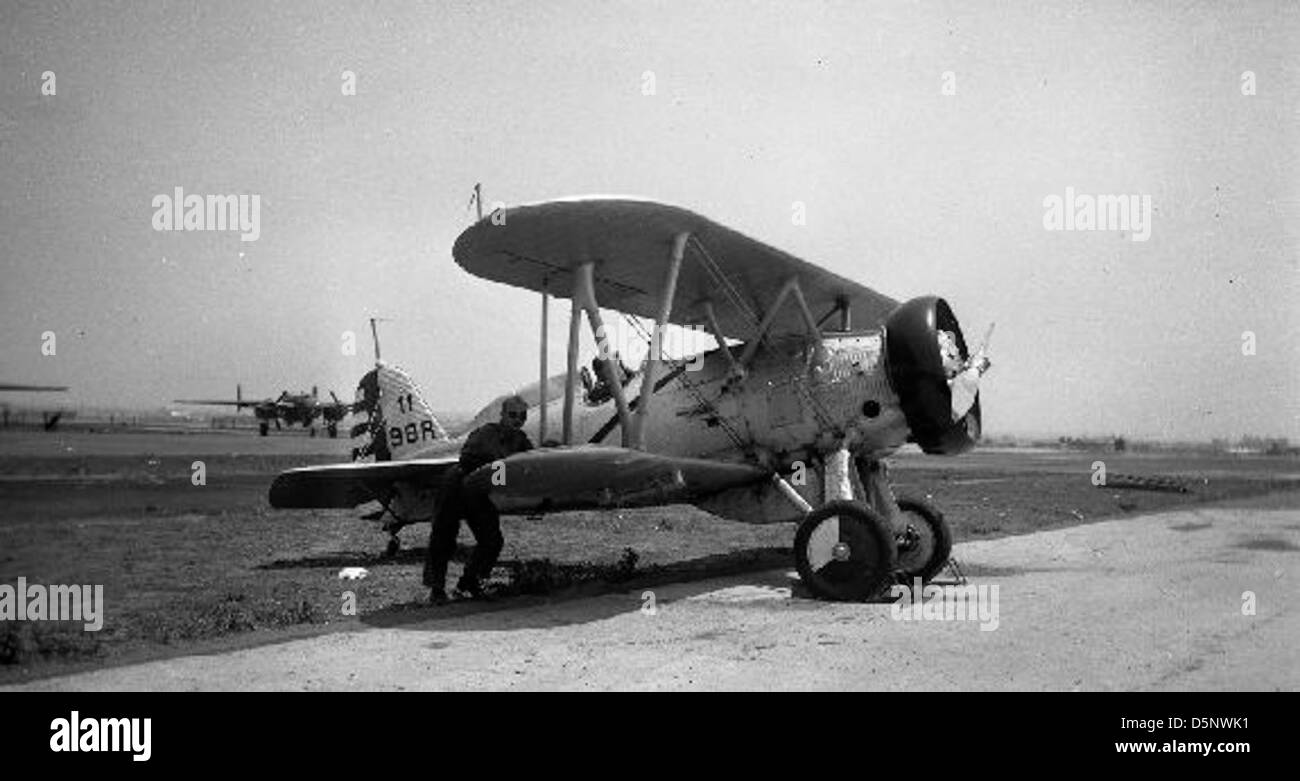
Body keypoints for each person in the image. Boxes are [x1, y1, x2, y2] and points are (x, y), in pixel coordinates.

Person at [423, 395, 533, 603]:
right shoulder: (486, 433)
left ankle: (469, 583)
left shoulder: (520, 440)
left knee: (492, 540)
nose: (517, 420)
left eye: (522, 416)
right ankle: (436, 590)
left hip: (477, 491)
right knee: (443, 537)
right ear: (502, 415)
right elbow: (468, 459)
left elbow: (532, 460)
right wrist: (495, 465)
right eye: (513, 415)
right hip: (456, 486)